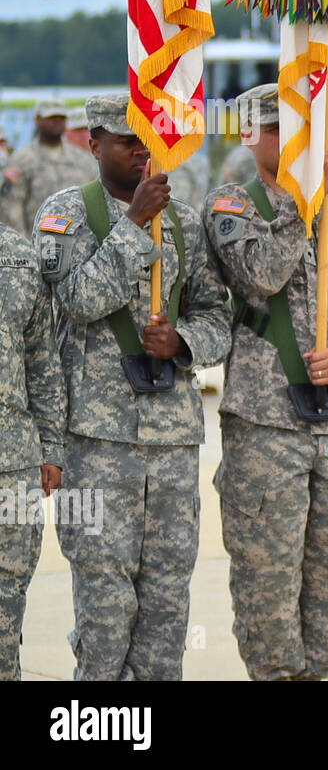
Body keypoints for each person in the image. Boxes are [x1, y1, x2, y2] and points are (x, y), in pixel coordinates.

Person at [34, 92, 232, 680]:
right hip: (96, 442)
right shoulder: (66, 215)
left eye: (149, 140)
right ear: (94, 144)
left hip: (172, 440)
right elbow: (77, 302)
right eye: (127, 142)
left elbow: (218, 318)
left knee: (168, 600)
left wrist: (184, 342)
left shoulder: (185, 221)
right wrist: (133, 224)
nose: (142, 153)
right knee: (104, 603)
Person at [204, 82, 328, 681]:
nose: (293, 140)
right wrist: (301, 204)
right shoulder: (234, 204)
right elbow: (263, 275)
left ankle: (321, 675)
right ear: (250, 136)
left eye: (303, 127)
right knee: (267, 572)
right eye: (277, 128)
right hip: (264, 421)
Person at [0, 221, 67, 682]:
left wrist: (52, 445)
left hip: (13, 465)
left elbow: (42, 360)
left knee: (8, 603)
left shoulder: (18, 257)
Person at [2, 99, 96, 233]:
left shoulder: (81, 158)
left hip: (78, 240)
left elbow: (92, 201)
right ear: (38, 120)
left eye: (61, 118)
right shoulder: (22, 159)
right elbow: (12, 207)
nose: (57, 122)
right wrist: (22, 244)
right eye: (51, 118)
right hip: (36, 240)